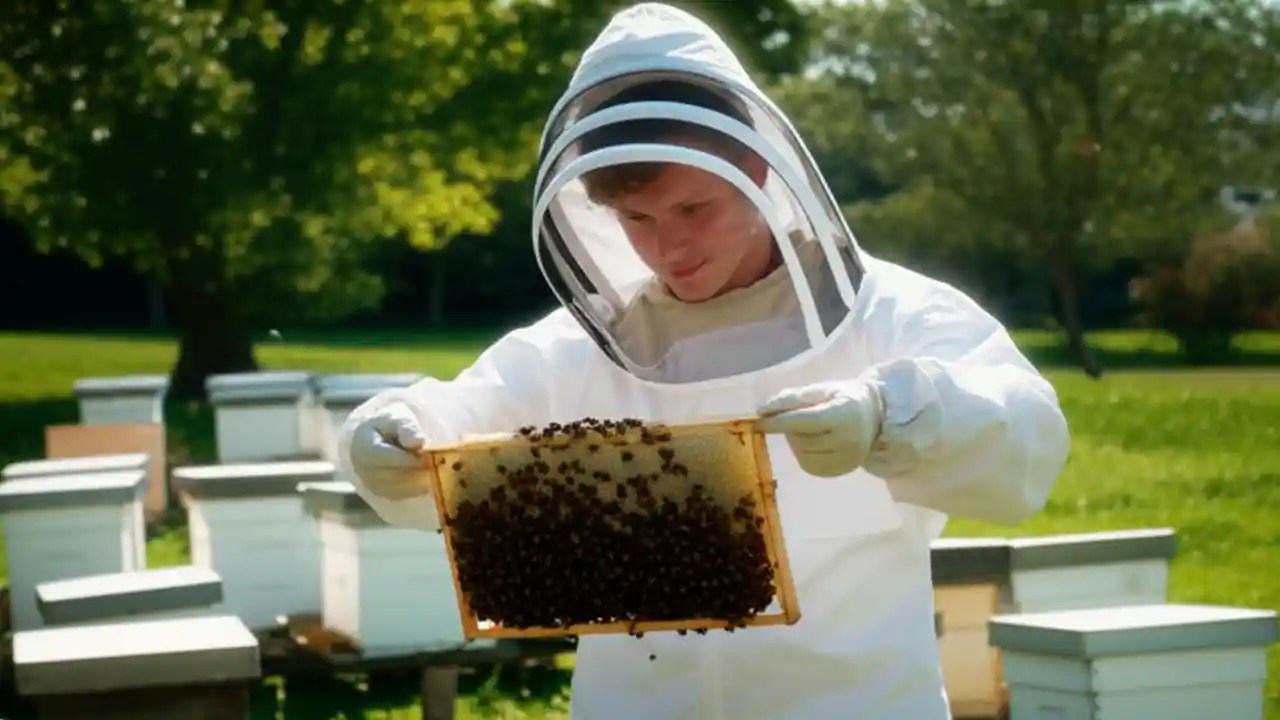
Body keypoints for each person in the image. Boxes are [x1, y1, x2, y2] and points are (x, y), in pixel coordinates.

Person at [340, 3, 1070, 718]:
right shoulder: (580, 349)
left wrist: (890, 415)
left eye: (695, 210)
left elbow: (1028, 440)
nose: (669, 248)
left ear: (755, 168)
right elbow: (455, 420)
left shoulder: (890, 315)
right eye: (638, 220)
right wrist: (388, 436)